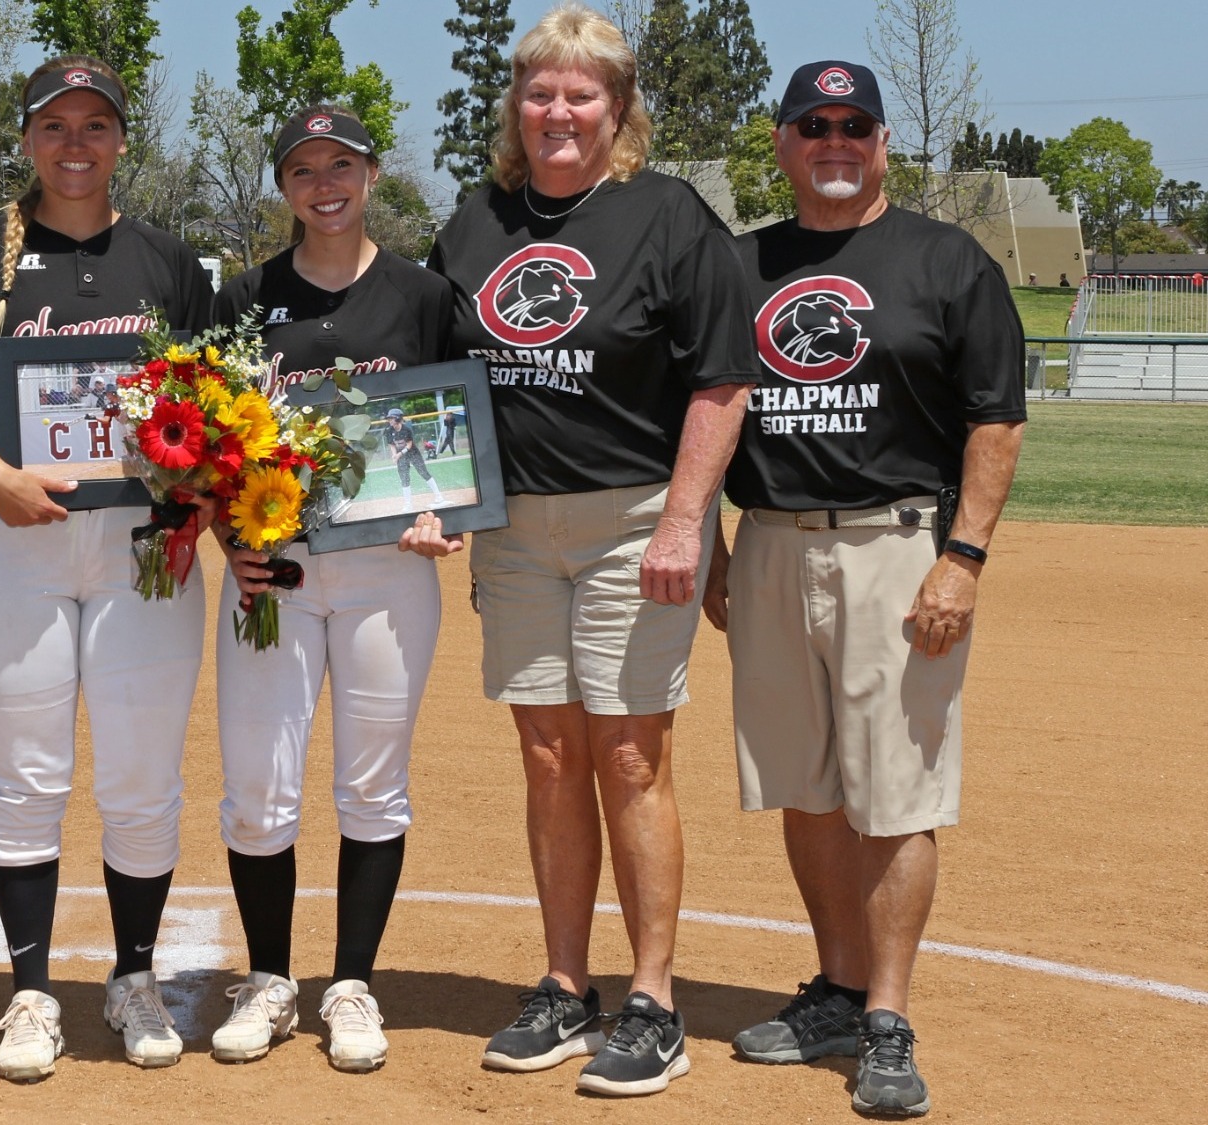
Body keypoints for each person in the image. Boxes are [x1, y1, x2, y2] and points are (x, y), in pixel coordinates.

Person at [425, 2, 756, 1097]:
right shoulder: (473, 223)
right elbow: (432, 382)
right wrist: (427, 495)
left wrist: (681, 521)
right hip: (513, 525)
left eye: (581, 94)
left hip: (632, 523)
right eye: (538, 92)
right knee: (549, 755)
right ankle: (564, 986)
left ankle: (652, 998)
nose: (556, 111)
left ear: (618, 112)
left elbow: (719, 381)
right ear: (514, 109)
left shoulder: (666, 217)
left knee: (628, 756)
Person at [702, 59, 1026, 1118]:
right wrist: (705, 539)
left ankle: (886, 1018)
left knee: (894, 792)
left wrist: (962, 556)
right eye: (812, 124)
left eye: (852, 124)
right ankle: (837, 986)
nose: (833, 140)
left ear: (881, 142)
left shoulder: (944, 259)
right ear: (783, 142)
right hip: (769, 542)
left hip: (897, 547)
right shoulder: (737, 264)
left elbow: (993, 416)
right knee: (804, 783)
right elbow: (699, 409)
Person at [0, 55, 214, 1080]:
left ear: (122, 140)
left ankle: (132, 976)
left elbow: (216, 405)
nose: (74, 143)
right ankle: (32, 991)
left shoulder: (170, 263)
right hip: (15, 542)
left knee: (140, 778)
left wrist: (199, 504)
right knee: (27, 775)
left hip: (141, 547)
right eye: (55, 126)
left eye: (95, 125)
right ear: (29, 139)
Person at [206, 105, 456, 1073]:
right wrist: (231, 540)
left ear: (371, 173)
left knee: (371, 787)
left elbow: (456, 429)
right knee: (257, 793)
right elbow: (212, 441)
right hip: (274, 573)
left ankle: (350, 982)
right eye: (303, 168)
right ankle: (269, 978)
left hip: (388, 572)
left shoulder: (424, 294)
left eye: (340, 165)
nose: (323, 183)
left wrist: (444, 510)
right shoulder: (242, 297)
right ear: (281, 185)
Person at [382, 405, 445, 509]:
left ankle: (439, 497)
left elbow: (409, 445)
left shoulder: (406, 429)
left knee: (424, 473)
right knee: (404, 478)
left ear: (398, 418)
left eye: (391, 418)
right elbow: (392, 445)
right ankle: (408, 504)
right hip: (400, 455)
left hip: (412, 453)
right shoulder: (389, 430)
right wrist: (394, 455)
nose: (389, 420)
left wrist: (399, 454)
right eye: (389, 418)